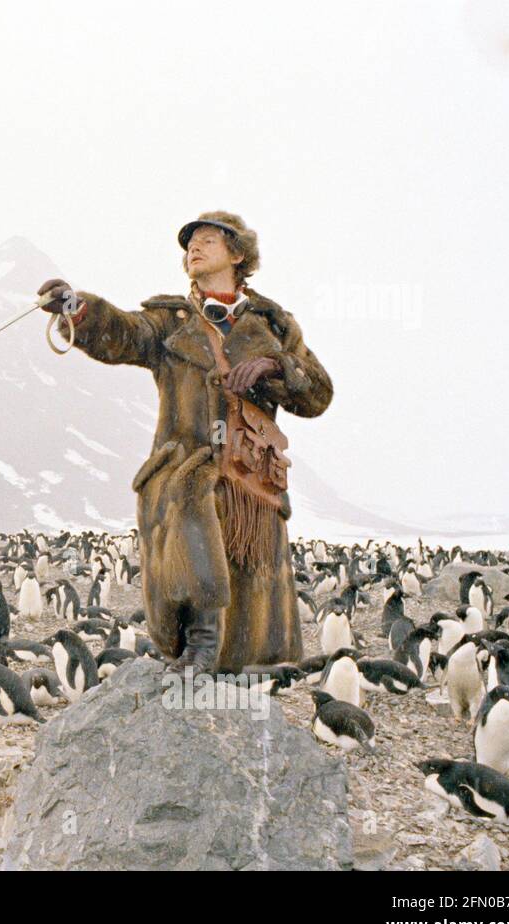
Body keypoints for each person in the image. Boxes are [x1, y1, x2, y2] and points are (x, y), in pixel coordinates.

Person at [38, 212, 332, 673]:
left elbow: (318, 394)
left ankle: (250, 670)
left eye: (208, 240)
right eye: (189, 243)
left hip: (250, 475)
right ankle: (199, 642)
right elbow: (121, 333)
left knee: (252, 613)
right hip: (186, 466)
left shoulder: (274, 327)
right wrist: (78, 308)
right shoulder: (169, 321)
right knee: (192, 512)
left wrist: (277, 367)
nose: (193, 248)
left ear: (238, 254)